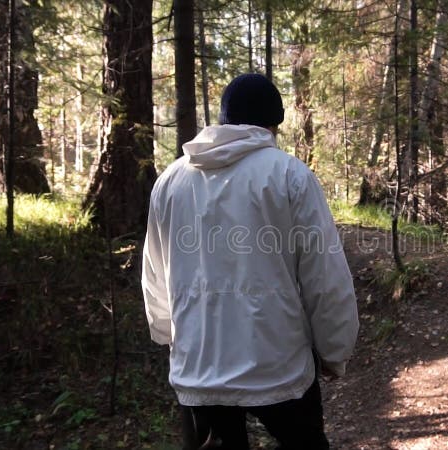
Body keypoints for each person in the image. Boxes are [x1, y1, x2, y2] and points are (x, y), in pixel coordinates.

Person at [141, 73, 359, 450]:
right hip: (278, 369)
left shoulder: (170, 182)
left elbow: (154, 275)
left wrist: (168, 335)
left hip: (199, 370)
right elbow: (324, 277)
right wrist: (334, 351)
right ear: (274, 123)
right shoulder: (289, 175)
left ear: (224, 119)